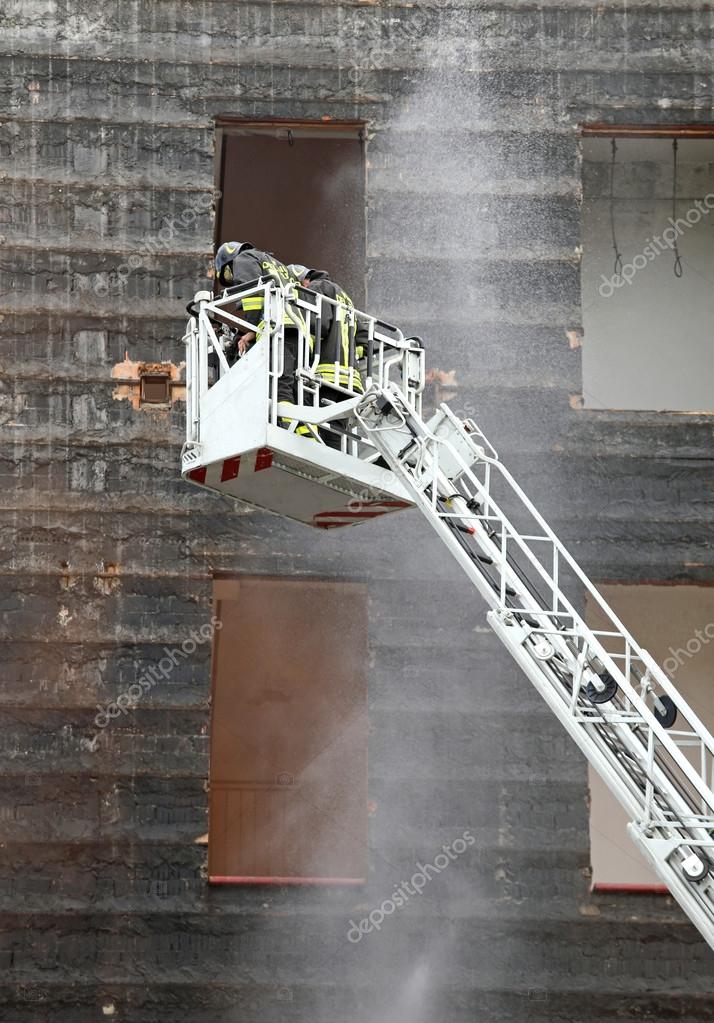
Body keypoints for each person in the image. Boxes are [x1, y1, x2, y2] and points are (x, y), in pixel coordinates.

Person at [215, 242, 313, 436]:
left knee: (279, 384)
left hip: (278, 329)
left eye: (228, 274)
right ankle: (308, 435)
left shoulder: (243, 259)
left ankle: (288, 432)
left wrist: (251, 329)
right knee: (296, 388)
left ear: (228, 260)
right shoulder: (274, 262)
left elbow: (254, 296)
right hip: (299, 330)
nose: (232, 277)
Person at [287, 265, 365, 450]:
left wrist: (302, 346)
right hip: (350, 379)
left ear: (301, 281)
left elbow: (318, 324)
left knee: (304, 402)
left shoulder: (316, 288)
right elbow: (364, 342)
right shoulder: (345, 297)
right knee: (336, 432)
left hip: (326, 373)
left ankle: (311, 450)